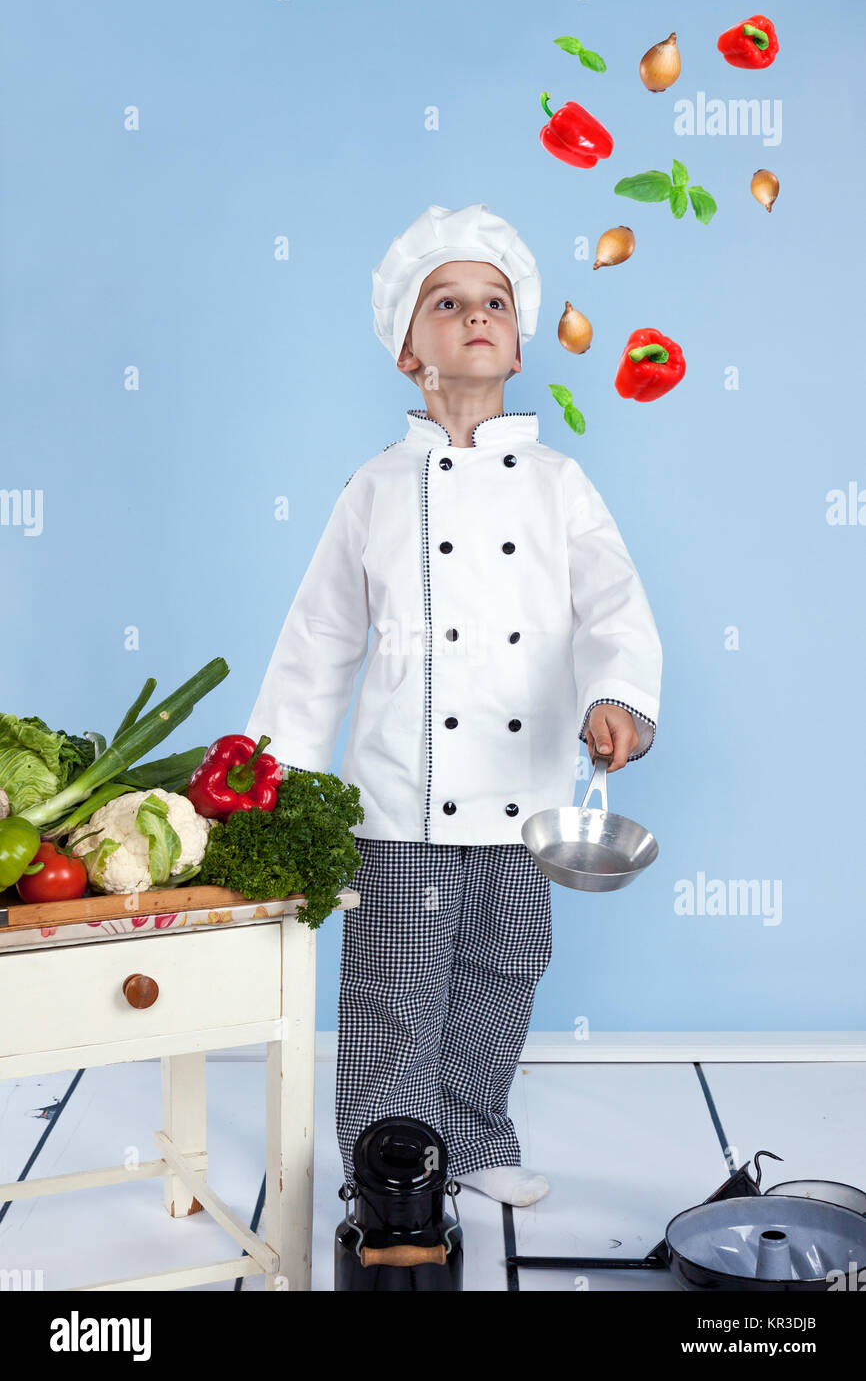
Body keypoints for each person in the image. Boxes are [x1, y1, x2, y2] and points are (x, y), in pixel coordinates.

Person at [245, 203, 662, 1207]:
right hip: (398, 798)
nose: (473, 315)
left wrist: (618, 693)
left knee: (504, 965)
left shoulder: (561, 486)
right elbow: (318, 642)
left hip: (527, 799)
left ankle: (470, 1139)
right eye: (445, 301)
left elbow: (614, 603)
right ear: (405, 350)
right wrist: (278, 782)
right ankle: (388, 1166)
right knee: (395, 988)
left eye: (493, 301)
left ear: (518, 342)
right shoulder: (375, 489)